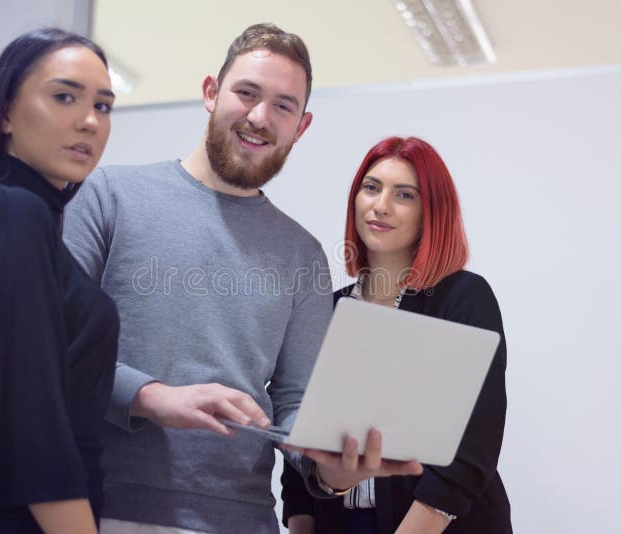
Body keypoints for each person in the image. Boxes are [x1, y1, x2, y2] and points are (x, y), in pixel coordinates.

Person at [63, 23, 420, 534]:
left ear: (301, 125)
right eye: (247, 93)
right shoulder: (105, 198)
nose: (260, 117)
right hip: (101, 510)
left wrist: (332, 471)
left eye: (283, 106)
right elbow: (51, 345)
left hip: (243, 520)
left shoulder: (302, 253)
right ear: (211, 92)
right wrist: (153, 396)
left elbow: (298, 403)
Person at [0, 28, 119, 534]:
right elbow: (33, 427)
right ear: (6, 113)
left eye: (103, 106)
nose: (89, 121)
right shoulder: (14, 212)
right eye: (64, 97)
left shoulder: (17, 215)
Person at [281, 136, 512, 534]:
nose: (381, 205)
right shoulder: (327, 309)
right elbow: (302, 439)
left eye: (404, 194)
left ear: (431, 211)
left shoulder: (463, 297)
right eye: (371, 188)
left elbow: (470, 449)